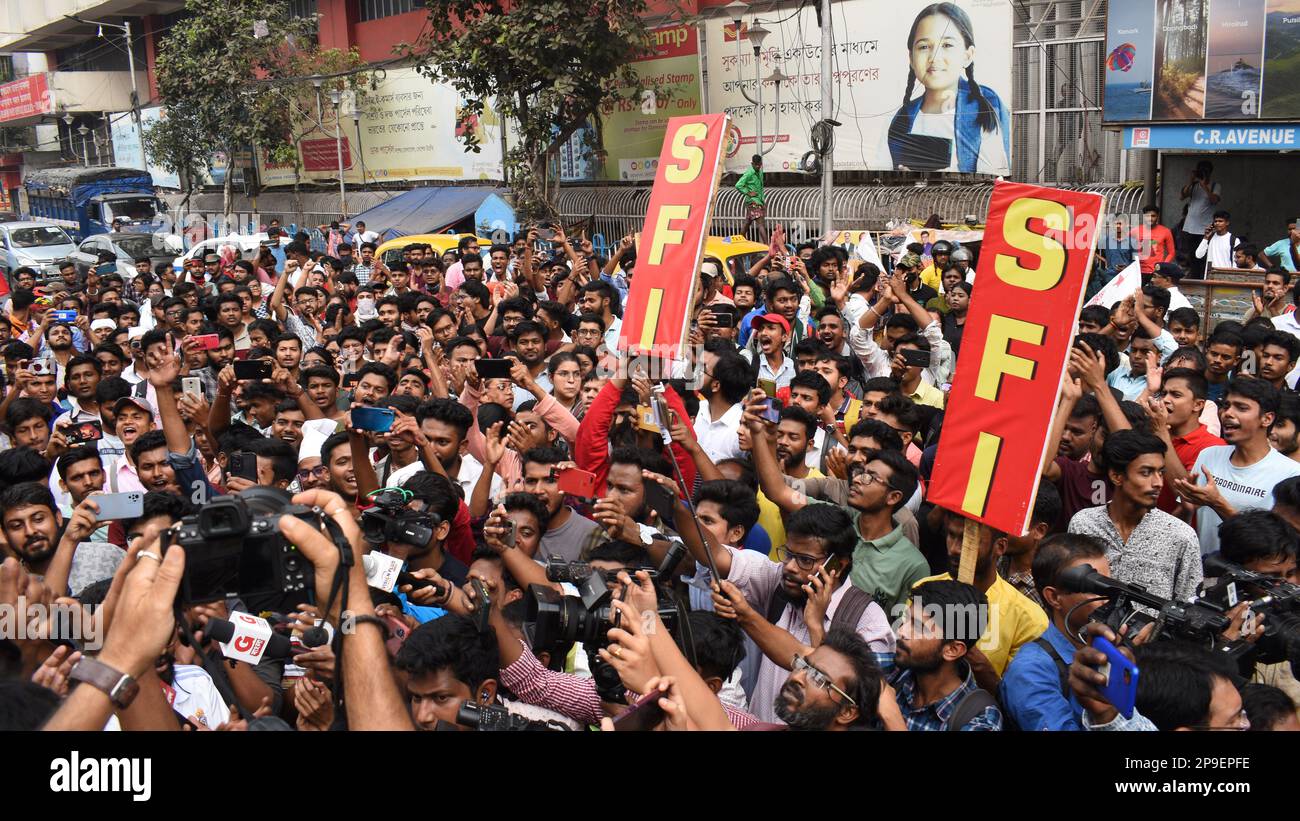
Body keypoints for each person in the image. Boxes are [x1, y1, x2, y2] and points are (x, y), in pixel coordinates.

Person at [1067, 430, 1203, 602]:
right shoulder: (1084, 524)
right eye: (1146, 473)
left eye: (1160, 472)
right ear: (1116, 476)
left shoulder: (1181, 536)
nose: (1158, 483)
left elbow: (1188, 606)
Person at [878, 3, 1010, 175]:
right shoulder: (897, 122)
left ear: (967, 55)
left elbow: (995, 182)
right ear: (911, 58)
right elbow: (881, 182)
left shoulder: (984, 110)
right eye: (924, 47)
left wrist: (951, 182)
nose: (934, 57)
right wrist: (902, 180)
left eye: (947, 45)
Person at [1176, 377, 1300, 555]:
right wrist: (1186, 509)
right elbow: (1184, 521)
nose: (1228, 413)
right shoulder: (1209, 455)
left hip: (1252, 580)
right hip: (1204, 572)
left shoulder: (1290, 474)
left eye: (1241, 408)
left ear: (1267, 419)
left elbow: (1276, 544)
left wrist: (1217, 503)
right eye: (1226, 406)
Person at [999, 533, 1110, 731]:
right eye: (1094, 588)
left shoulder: (1108, 649)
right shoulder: (1031, 670)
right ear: (1054, 597)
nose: (1106, 598)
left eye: (1109, 586)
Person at [889, 579, 1002, 730]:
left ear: (952, 650)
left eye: (917, 626)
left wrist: (890, 714)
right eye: (905, 620)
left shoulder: (981, 719)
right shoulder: (893, 670)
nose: (901, 631)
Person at [1180, 159, 1223, 278]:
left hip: (1205, 228)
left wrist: (1205, 186)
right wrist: (1191, 180)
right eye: (1201, 171)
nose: (1203, 173)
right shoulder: (1193, 185)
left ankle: (1203, 278)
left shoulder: (1215, 185)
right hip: (1190, 227)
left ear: (1210, 172)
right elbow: (1182, 196)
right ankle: (1193, 277)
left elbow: (1214, 200)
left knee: (1204, 255)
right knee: (1192, 255)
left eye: (1205, 171)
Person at [1130, 204, 1177, 277]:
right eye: (1147, 216)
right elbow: (1125, 248)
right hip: (1138, 271)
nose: (1150, 218)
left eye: (1153, 216)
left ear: (1157, 217)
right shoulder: (1134, 231)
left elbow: (1171, 252)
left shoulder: (1166, 231)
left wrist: (1163, 266)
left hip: (1157, 272)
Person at [735, 154, 767, 241]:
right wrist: (748, 193)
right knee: (761, 223)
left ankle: (740, 239)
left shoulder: (760, 172)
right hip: (753, 202)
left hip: (758, 202)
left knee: (748, 222)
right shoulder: (749, 173)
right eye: (756, 165)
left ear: (761, 163)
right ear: (752, 163)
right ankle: (767, 246)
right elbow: (738, 185)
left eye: (759, 164)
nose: (757, 166)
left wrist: (762, 202)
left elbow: (760, 188)